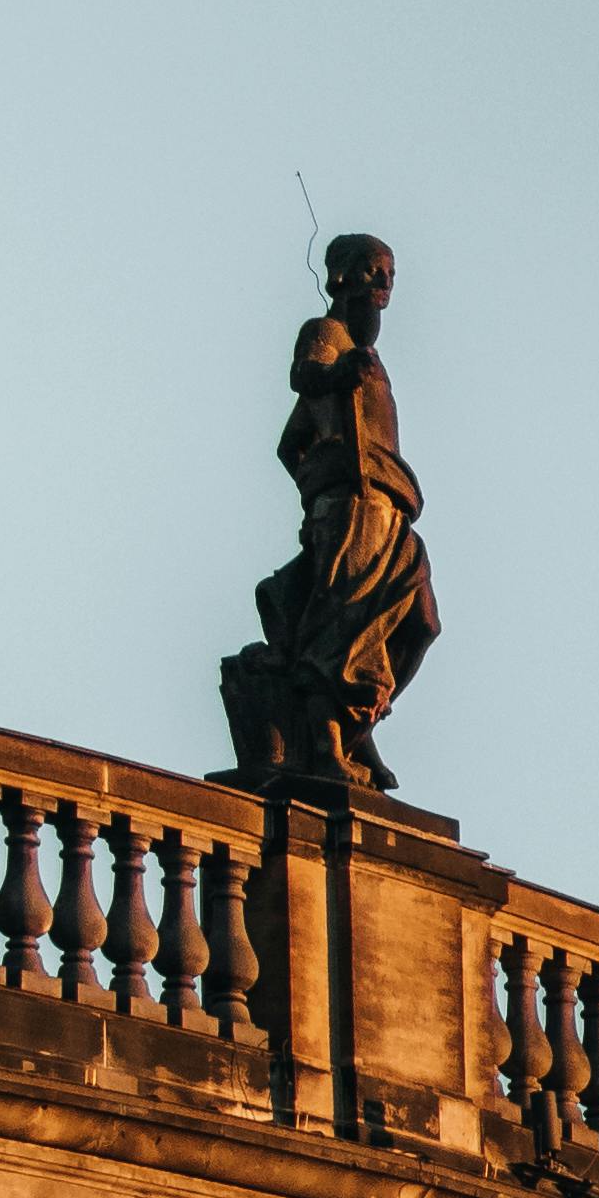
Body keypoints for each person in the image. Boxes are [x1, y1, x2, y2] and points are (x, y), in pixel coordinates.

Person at [220, 229, 438, 788]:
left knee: (419, 622)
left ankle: (361, 722)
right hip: (354, 502)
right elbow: (305, 376)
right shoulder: (329, 335)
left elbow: (289, 439)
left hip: (390, 504)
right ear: (341, 276)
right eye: (374, 270)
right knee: (342, 620)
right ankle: (329, 740)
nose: (385, 283)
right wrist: (325, 490)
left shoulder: (370, 359)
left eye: (390, 273)